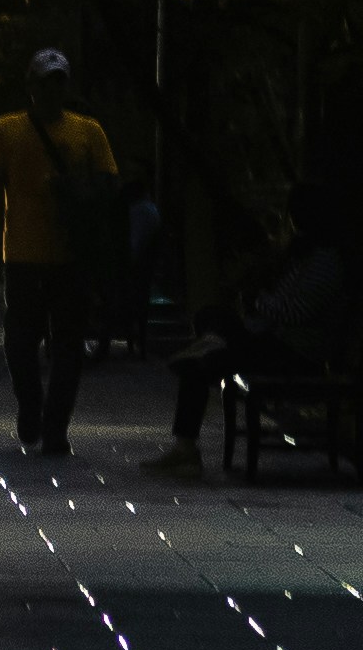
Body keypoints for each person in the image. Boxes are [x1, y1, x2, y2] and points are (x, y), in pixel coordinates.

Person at [140, 183, 351, 476]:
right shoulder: (304, 257)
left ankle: (186, 445)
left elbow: (296, 312)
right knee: (211, 318)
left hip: (295, 350)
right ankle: (210, 345)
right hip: (276, 338)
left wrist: (257, 301)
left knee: (201, 363)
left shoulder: (325, 262)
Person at [0, 49, 117, 457]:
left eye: (59, 81)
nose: (52, 89)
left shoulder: (88, 132)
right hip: (21, 252)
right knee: (21, 339)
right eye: (45, 81)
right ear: (31, 86)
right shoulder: (7, 130)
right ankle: (30, 403)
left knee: (68, 343)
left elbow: (109, 188)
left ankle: (55, 426)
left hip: (71, 255)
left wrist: (76, 190)